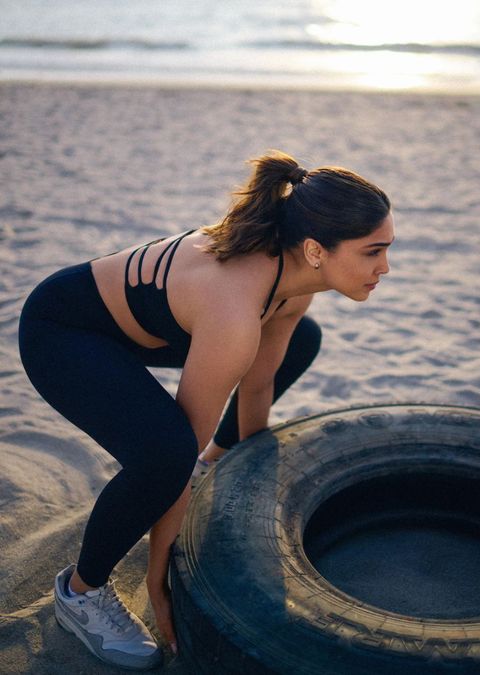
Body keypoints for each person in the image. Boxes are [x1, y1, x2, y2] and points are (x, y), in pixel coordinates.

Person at [18, 150, 392, 669]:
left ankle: (217, 462)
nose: (385, 267)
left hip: (147, 326)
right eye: (373, 252)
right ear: (315, 249)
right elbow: (180, 447)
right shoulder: (236, 309)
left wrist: (252, 471)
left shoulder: (293, 283)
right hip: (63, 331)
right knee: (165, 453)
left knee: (299, 340)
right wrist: (161, 577)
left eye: (387, 249)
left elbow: (258, 385)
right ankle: (81, 593)